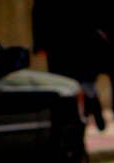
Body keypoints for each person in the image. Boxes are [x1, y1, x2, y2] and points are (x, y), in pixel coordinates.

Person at [31, 0, 107, 131]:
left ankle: (88, 115)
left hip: (71, 44)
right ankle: (86, 116)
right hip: (68, 45)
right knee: (76, 85)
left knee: (81, 84)